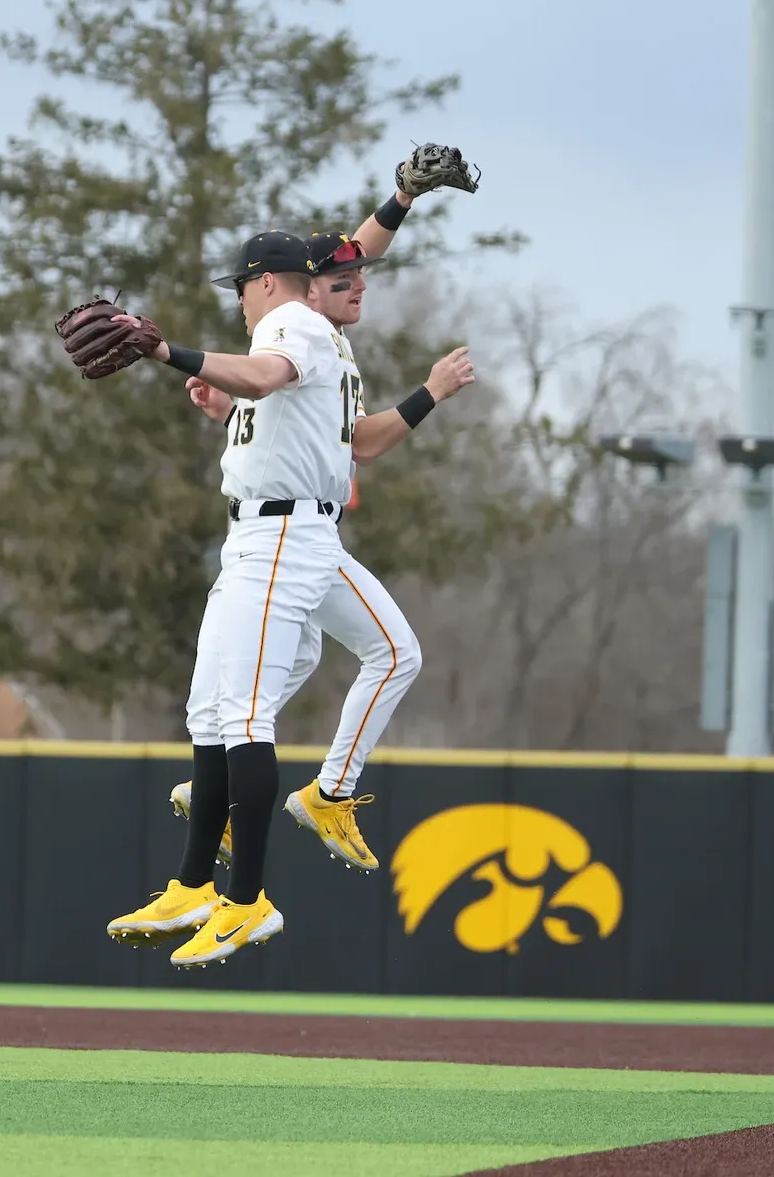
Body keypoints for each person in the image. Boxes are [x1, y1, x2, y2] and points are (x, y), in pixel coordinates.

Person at [168, 172, 475, 874]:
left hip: (301, 533)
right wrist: (399, 200)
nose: (356, 284)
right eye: (338, 281)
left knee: (339, 658)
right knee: (280, 694)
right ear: (301, 288)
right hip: (282, 534)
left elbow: (359, 442)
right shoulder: (300, 334)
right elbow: (335, 270)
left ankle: (290, 790)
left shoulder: (319, 347)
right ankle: (249, 795)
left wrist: (404, 200)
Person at [103, 229, 391, 966]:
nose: (237, 303)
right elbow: (266, 400)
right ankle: (195, 884)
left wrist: (169, 354)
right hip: (261, 536)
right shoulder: (301, 329)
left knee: (245, 716)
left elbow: (264, 375)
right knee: (211, 712)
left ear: (263, 282)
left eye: (238, 289)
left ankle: (246, 901)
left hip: (285, 539)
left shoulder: (291, 322)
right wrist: (220, 402)